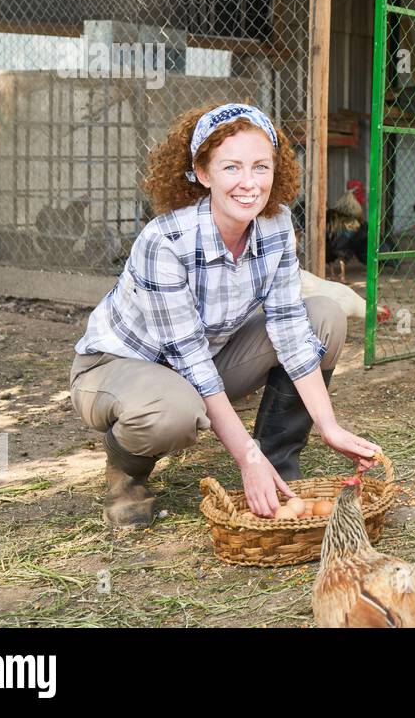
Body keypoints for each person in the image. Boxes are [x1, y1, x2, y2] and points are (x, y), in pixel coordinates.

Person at [71, 103, 381, 527]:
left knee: (323, 316)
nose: (250, 184)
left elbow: (291, 330)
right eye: (231, 167)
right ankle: (127, 475)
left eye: (261, 167)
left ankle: (276, 469)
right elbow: (191, 362)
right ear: (202, 173)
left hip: (204, 359)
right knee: (173, 411)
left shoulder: (275, 226)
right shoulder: (165, 240)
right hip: (116, 368)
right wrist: (243, 455)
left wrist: (331, 428)